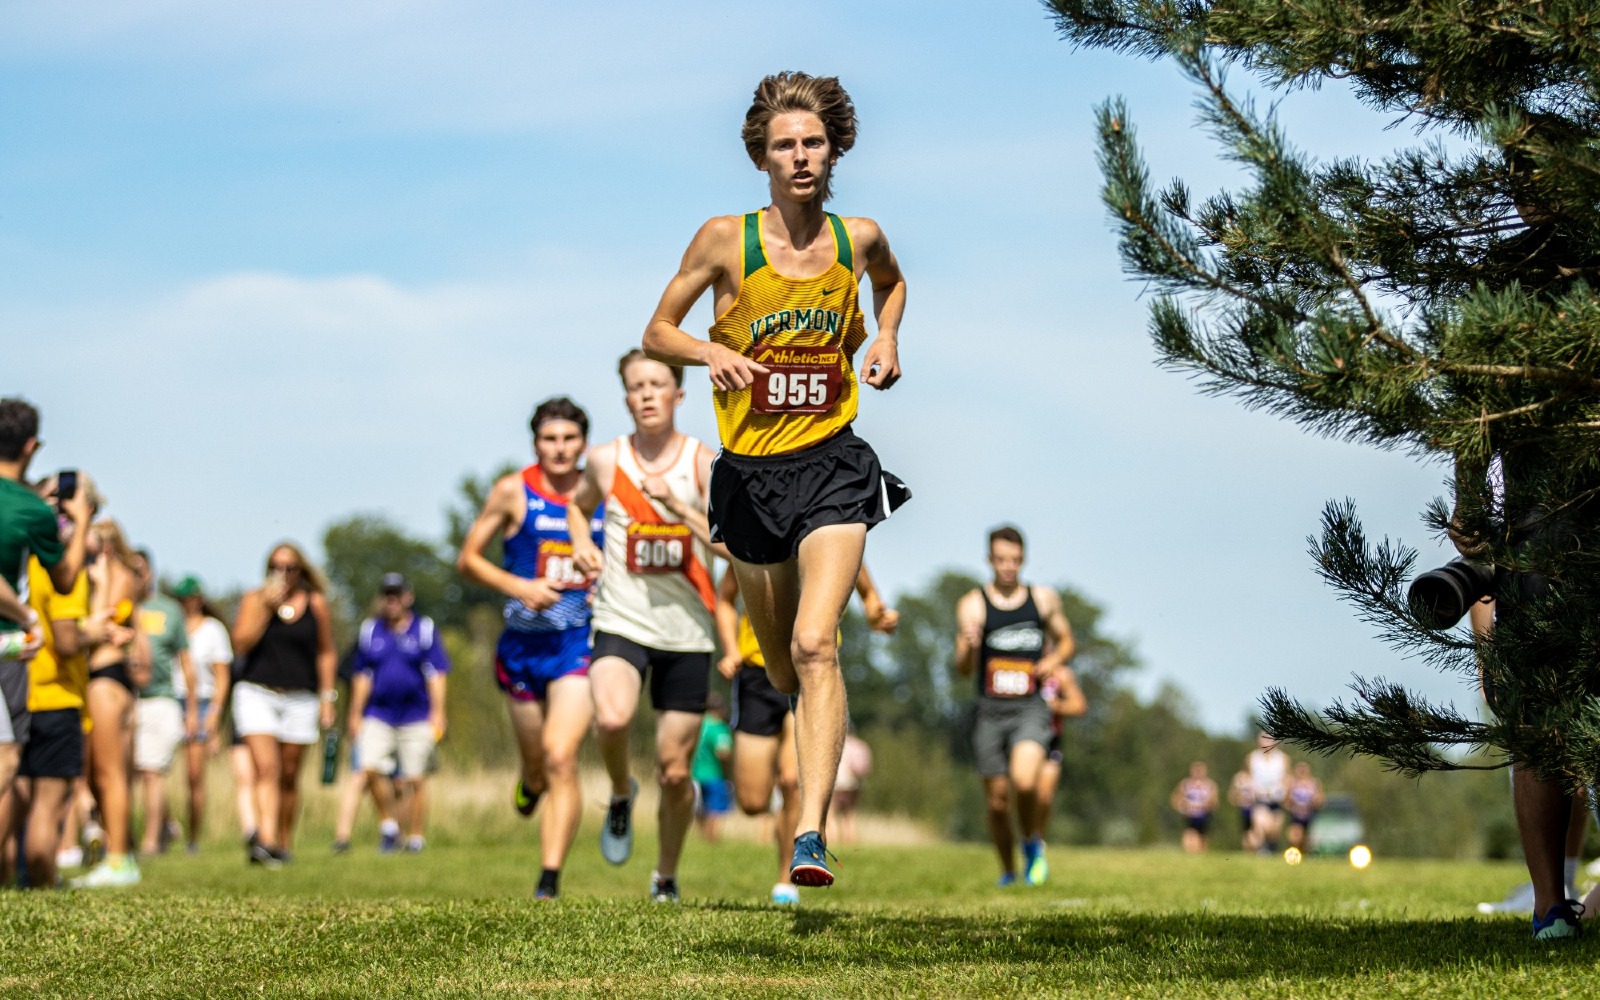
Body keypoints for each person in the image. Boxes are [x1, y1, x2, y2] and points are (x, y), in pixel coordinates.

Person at [641, 71, 910, 890]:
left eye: (813, 143)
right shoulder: (727, 240)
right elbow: (656, 332)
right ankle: (792, 745)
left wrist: (887, 338)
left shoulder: (858, 239)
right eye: (784, 145)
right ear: (761, 156)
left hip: (832, 463)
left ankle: (811, 835)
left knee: (814, 643)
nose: (800, 157)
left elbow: (893, 284)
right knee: (784, 669)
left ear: (835, 152)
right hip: (751, 478)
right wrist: (708, 351)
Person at [567, 350, 719, 903]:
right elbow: (577, 508)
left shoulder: (703, 463)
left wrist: (680, 507)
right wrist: (581, 543)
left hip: (687, 631)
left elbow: (731, 543)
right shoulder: (606, 460)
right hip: (621, 617)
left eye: (658, 384)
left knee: (675, 773)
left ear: (679, 394)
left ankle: (665, 877)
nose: (647, 394)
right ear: (626, 397)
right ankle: (620, 790)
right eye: (637, 386)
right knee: (611, 718)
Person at [455, 396, 604, 901]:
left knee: (562, 756)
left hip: (577, 644)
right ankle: (531, 781)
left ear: (583, 443)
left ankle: (548, 880)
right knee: (539, 764)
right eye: (549, 439)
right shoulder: (512, 491)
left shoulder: (602, 492)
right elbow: (468, 559)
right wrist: (519, 587)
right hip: (522, 646)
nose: (559, 449)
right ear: (536, 443)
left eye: (569, 439)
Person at [715, 562, 897, 903]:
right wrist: (731, 649)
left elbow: (861, 580)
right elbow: (725, 598)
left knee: (792, 780)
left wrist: (875, 609)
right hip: (756, 674)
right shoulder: (754, 541)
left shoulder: (824, 538)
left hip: (811, 669)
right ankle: (784, 824)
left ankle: (786, 879)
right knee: (752, 802)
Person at [954, 525, 1077, 887]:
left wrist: (1053, 662)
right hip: (990, 711)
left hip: (1030, 708)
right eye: (1001, 560)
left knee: (1025, 782)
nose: (1008, 567)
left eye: (1015, 560)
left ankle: (1032, 843)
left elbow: (1067, 641)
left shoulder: (1043, 599)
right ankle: (1008, 871)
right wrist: (969, 646)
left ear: (1023, 559)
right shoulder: (973, 605)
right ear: (989, 560)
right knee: (996, 802)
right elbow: (963, 669)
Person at [0, 400, 91, 806]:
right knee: (7, 757)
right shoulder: (32, 511)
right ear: (31, 446)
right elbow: (66, 578)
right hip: (7, 646)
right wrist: (81, 520)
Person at [231, 542, 337, 865]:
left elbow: (326, 652)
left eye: (290, 568)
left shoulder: (316, 604)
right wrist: (265, 608)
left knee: (289, 775)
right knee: (268, 769)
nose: (283, 573)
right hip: (257, 693)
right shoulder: (254, 599)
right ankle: (265, 841)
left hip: (301, 697)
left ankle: (283, 840)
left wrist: (327, 698)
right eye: (276, 567)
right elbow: (240, 643)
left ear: (301, 571)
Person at [344, 573, 450, 854]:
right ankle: (389, 826)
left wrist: (438, 712)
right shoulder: (371, 630)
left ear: (408, 597)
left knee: (415, 778)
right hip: (378, 713)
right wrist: (354, 714)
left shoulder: (423, 629)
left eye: (396, 594)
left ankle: (415, 837)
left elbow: (436, 673)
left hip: (416, 714)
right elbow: (362, 675)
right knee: (369, 767)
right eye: (387, 594)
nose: (391, 600)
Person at [76, 518, 148, 888]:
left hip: (106, 677)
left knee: (110, 773)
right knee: (98, 774)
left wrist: (100, 583)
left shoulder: (117, 575)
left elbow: (103, 620)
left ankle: (119, 860)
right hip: (105, 678)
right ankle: (116, 852)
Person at [130, 552, 196, 858]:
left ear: (150, 573)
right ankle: (159, 826)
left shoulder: (170, 610)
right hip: (126, 698)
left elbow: (186, 661)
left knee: (152, 770)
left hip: (160, 700)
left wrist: (191, 710)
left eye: (140, 571)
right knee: (132, 773)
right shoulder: (118, 605)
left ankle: (150, 842)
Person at [173, 575, 231, 852]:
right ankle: (164, 826)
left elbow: (222, 676)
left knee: (194, 775)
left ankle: (192, 838)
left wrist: (214, 715)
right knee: (150, 771)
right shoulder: (171, 624)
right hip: (169, 699)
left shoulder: (213, 630)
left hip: (202, 701)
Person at [1032, 655, 1088, 850]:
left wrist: (1057, 706)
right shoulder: (1020, 667)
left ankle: (1037, 840)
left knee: (1044, 795)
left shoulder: (1061, 674)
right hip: (1019, 738)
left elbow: (1079, 705)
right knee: (1023, 790)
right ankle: (1024, 833)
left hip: (1050, 740)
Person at [691, 693, 733, 843]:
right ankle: (711, 841)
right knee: (714, 811)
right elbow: (723, 752)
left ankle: (701, 838)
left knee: (699, 810)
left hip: (694, 774)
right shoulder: (718, 727)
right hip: (714, 774)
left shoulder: (696, 726)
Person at [1246, 732, 1290, 854]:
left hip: (1277, 801)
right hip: (1260, 800)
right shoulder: (1252, 758)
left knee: (1273, 832)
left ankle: (1269, 851)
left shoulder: (1282, 758)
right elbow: (1248, 778)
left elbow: (1287, 779)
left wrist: (1286, 794)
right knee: (1262, 826)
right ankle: (1260, 850)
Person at [829, 725, 871, 845]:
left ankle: (834, 842)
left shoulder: (835, 745)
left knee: (831, 815)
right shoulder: (860, 745)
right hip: (854, 784)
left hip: (837, 784)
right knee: (849, 815)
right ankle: (850, 842)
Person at [1170, 761, 1220, 854]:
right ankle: (1190, 853)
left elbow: (1215, 802)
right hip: (1190, 815)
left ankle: (1201, 854)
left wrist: (1206, 805)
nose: (1198, 773)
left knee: (1202, 838)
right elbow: (1176, 798)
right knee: (1190, 835)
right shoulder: (1185, 784)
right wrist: (1181, 807)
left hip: (1204, 816)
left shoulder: (1210, 785)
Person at [1284, 761, 1324, 851]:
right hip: (1296, 816)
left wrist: (1315, 800)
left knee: (1308, 841)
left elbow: (1321, 801)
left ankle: (1305, 852)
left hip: (1310, 816)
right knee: (1295, 838)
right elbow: (1286, 802)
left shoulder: (1314, 783)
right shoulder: (1291, 784)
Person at [1227, 769, 1256, 850]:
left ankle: (1253, 848)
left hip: (1254, 809)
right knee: (1245, 832)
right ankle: (1247, 849)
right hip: (1243, 809)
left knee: (1253, 830)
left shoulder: (1256, 777)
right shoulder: (1239, 778)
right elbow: (1232, 795)